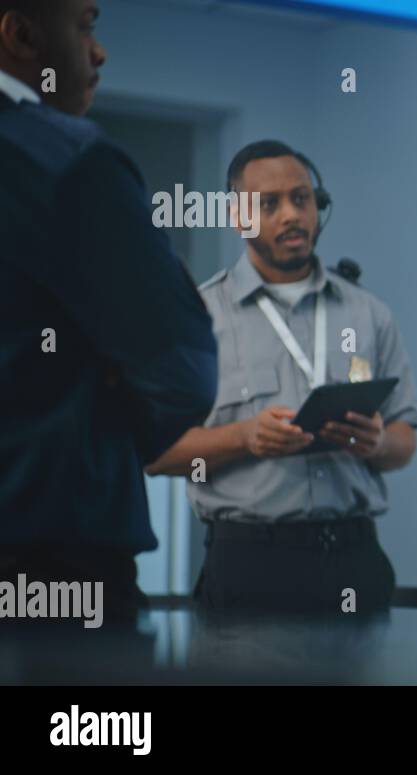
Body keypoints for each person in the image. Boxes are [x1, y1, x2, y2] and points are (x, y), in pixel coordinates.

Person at [0, 0, 218, 624]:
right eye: (86, 26)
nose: (99, 52)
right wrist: (103, 410)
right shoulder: (69, 160)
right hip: (52, 574)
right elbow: (184, 373)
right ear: (19, 33)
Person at [146, 140, 417, 618]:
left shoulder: (369, 312)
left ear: (320, 206)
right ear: (238, 218)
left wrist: (377, 443)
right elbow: (156, 455)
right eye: (268, 204)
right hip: (251, 565)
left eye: (302, 198)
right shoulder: (197, 316)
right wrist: (245, 437)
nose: (291, 215)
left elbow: (405, 439)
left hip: (356, 564)